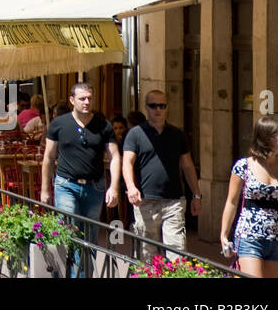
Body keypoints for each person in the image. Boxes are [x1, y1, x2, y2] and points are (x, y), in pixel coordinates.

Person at [41, 83, 121, 275]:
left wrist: (114, 187)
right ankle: (67, 272)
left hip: (95, 187)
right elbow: (49, 157)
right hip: (66, 184)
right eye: (82, 98)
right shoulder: (59, 124)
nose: (86, 102)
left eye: (89, 98)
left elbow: (115, 157)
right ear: (72, 100)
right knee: (70, 231)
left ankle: (83, 274)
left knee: (90, 237)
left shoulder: (104, 125)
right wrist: (45, 189)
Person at [122, 90, 203, 260]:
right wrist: (131, 187)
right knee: (146, 255)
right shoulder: (136, 134)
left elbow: (187, 166)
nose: (157, 110)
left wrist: (196, 194)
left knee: (177, 254)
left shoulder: (177, 134)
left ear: (167, 108)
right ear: (146, 107)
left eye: (162, 106)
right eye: (153, 106)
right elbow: (127, 162)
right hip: (145, 201)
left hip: (173, 202)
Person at [220, 115, 278, 278]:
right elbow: (232, 201)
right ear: (268, 138)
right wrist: (223, 234)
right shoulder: (243, 166)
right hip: (249, 236)